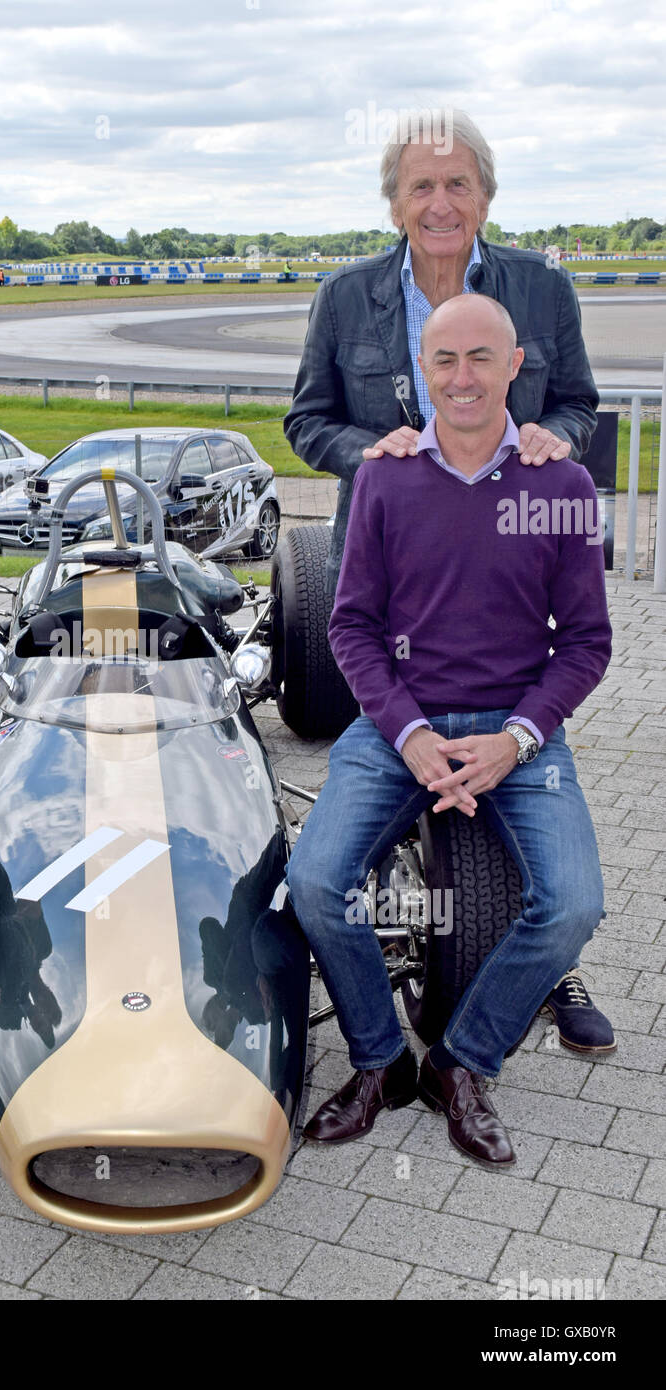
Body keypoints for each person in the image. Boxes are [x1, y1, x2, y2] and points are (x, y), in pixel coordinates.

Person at [284, 109, 609, 1052]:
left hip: (512, 542)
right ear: (394, 202)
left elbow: (579, 404)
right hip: (395, 543)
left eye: (457, 183)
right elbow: (306, 421)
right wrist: (372, 451)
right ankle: (395, 1008)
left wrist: (553, 440)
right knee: (370, 798)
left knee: (539, 822)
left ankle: (546, 965)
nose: (439, 203)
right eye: (420, 185)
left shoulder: (541, 288)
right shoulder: (346, 295)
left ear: (486, 196)